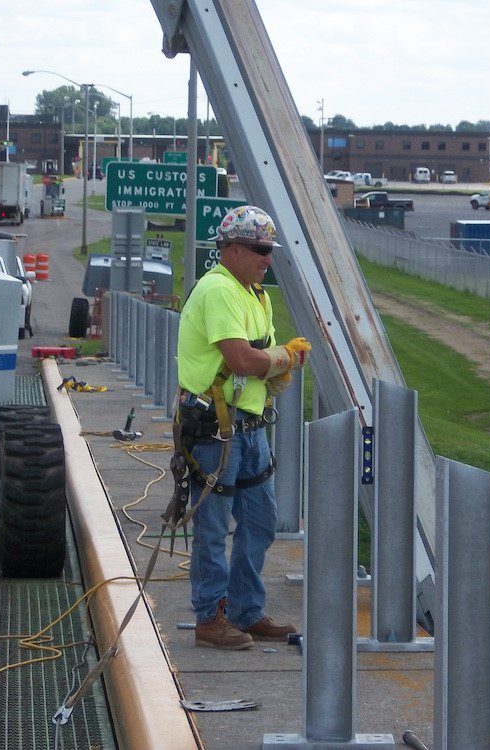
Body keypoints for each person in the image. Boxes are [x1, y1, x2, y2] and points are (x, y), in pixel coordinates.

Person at [175, 205, 311, 650]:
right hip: (215, 431)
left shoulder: (256, 295)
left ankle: (244, 611)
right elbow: (242, 360)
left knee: (261, 521)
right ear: (231, 248)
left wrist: (274, 366)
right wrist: (284, 358)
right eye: (259, 249)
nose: (266, 258)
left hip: (249, 429)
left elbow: (259, 362)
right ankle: (209, 616)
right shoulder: (218, 290)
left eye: (269, 250)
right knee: (213, 526)